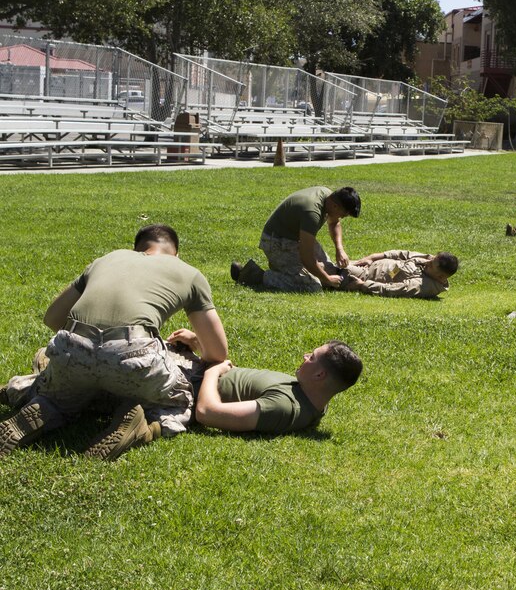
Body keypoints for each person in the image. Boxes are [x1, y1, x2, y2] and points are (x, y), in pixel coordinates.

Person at [0, 224, 229, 460]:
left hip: (71, 345)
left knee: (65, 394)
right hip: (133, 352)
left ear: (137, 249)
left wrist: (91, 348)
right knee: (181, 398)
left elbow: (52, 318)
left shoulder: (107, 259)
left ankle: (45, 405)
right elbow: (217, 353)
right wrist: (194, 340)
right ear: (176, 254)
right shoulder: (188, 273)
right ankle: (146, 428)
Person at [165, 329, 362, 434]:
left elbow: (207, 413)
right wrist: (199, 345)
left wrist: (213, 371)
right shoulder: (312, 394)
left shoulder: (283, 407)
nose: (305, 355)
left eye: (312, 357)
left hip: (183, 383)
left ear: (319, 375)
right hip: (196, 368)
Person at [231, 186, 361, 291]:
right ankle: (254, 275)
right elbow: (307, 258)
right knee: (312, 286)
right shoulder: (312, 213)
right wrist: (327, 279)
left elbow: (334, 223)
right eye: (343, 214)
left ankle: (285, 268)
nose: (342, 218)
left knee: (328, 270)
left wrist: (339, 249)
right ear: (335, 206)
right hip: (275, 242)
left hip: (295, 238)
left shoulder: (329, 196)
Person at [340, 250, 459, 299]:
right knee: (337, 262)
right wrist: (372, 257)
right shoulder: (431, 262)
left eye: (431, 265)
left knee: (336, 269)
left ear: (440, 277)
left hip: (365, 275)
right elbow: (403, 254)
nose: (427, 262)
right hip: (369, 265)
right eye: (431, 259)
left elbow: (393, 289)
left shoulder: (424, 285)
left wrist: (362, 285)